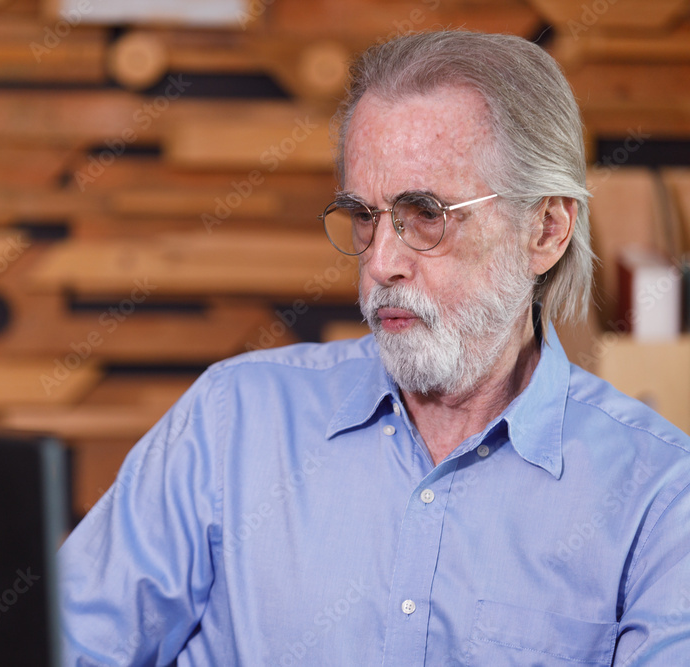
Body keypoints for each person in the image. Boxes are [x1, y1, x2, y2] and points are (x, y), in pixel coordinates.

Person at [57, 30, 690, 665]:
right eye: (365, 215)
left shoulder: (658, 496)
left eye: (427, 215)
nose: (381, 261)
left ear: (546, 230)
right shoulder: (231, 421)